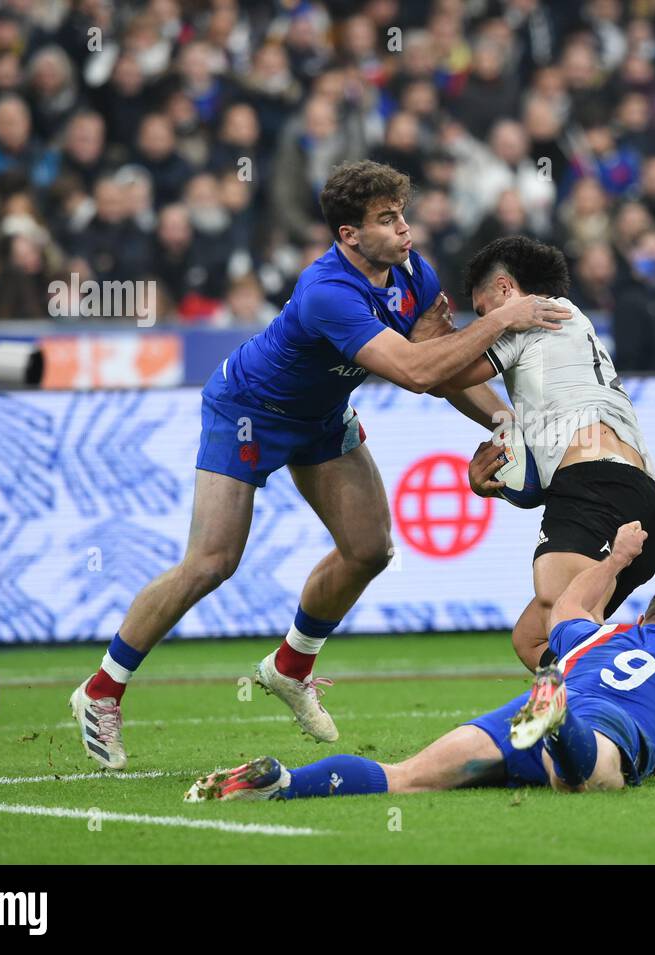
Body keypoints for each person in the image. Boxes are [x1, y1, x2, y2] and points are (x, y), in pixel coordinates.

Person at [70, 161, 572, 770]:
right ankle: (101, 691)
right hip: (248, 410)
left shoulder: (413, 272)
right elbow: (414, 373)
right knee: (211, 562)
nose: (405, 230)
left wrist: (508, 427)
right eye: (387, 220)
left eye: (403, 215)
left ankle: (291, 666)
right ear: (348, 235)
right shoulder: (328, 292)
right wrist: (499, 320)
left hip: (322, 414)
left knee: (370, 548)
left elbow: (438, 368)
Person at [184, 521, 655, 801]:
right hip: (608, 728)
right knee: (585, 781)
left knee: (405, 778)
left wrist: (619, 558)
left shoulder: (599, 637)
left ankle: (285, 782)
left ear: (644, 621)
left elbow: (565, 603)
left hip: (518, 715)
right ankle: (560, 724)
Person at [444, 235, 655, 670]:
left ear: (507, 289)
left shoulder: (532, 318)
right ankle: (630, 700)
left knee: (563, 614)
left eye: (483, 311)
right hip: (639, 501)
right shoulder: (568, 322)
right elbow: (540, 462)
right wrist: (500, 480)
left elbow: (441, 374)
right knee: (534, 640)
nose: (484, 322)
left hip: (596, 485)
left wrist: (428, 332)